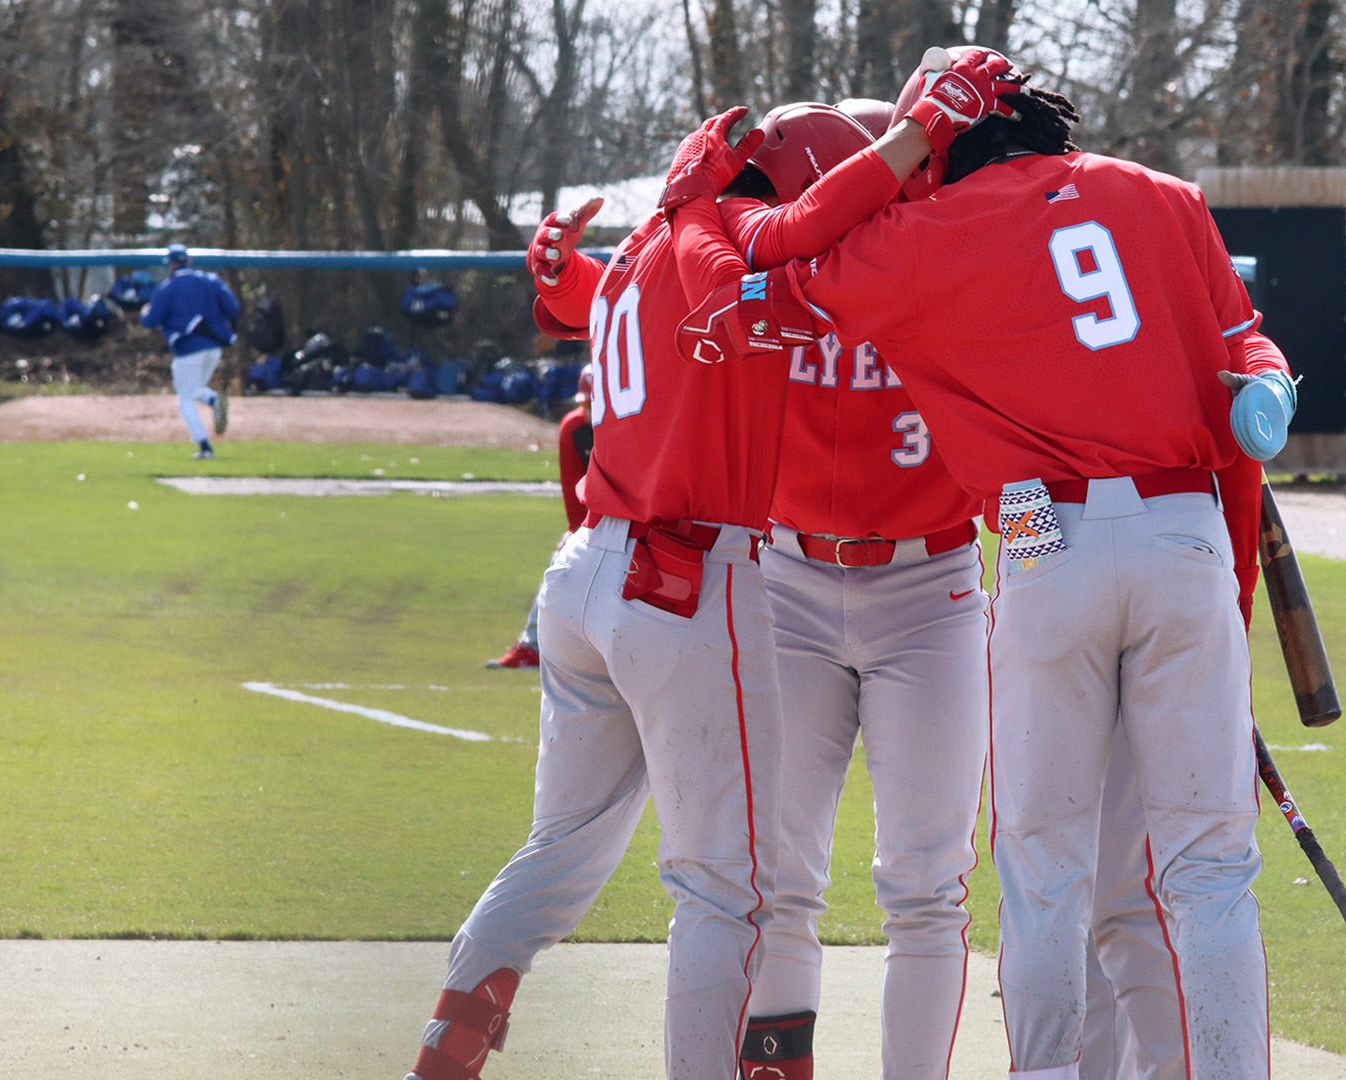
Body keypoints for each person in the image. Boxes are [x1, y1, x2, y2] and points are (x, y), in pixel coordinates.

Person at [669, 46, 1297, 1080]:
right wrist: (1224, 597)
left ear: (945, 138)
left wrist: (709, 205)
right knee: (1210, 868)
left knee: (1042, 866)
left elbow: (773, 261)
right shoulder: (1163, 197)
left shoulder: (921, 233)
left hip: (1039, 533)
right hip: (1184, 520)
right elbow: (1249, 363)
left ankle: (1044, 1072)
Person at [400, 78, 1008, 1077]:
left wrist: (564, 278)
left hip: (609, 567)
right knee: (738, 886)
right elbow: (757, 265)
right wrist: (917, 135)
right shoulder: (722, 240)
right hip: (712, 572)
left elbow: (609, 302)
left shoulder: (663, 242)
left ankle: (451, 1040)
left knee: (572, 846)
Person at [707, 101, 990, 1080]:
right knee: (779, 877)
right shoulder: (758, 275)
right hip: (786, 580)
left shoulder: (956, 270)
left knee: (925, 885)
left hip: (932, 584)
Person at [487, 366, 596, 670]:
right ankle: (532, 646)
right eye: (585, 403)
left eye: (595, 403)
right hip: (596, 520)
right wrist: (580, 533)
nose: (588, 410)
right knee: (560, 564)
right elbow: (574, 492)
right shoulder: (573, 428)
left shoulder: (632, 427)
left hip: (637, 520)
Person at [138, 243, 239, 459]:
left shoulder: (167, 287)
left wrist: (144, 312)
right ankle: (211, 399)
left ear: (172, 265)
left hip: (188, 349)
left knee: (185, 400)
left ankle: (205, 448)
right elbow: (233, 308)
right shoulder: (211, 280)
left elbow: (150, 321)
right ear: (189, 262)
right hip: (214, 348)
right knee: (194, 390)